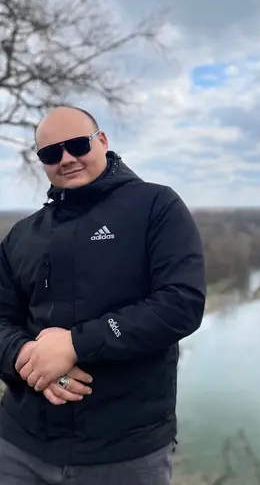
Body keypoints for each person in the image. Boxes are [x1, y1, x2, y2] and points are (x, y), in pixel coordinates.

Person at [0, 106, 206, 484]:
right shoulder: (23, 235)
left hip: (124, 452)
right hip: (19, 446)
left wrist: (76, 344)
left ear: (103, 141)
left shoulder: (155, 207)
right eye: (51, 153)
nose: (66, 158)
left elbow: (181, 303)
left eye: (78, 145)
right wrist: (25, 356)